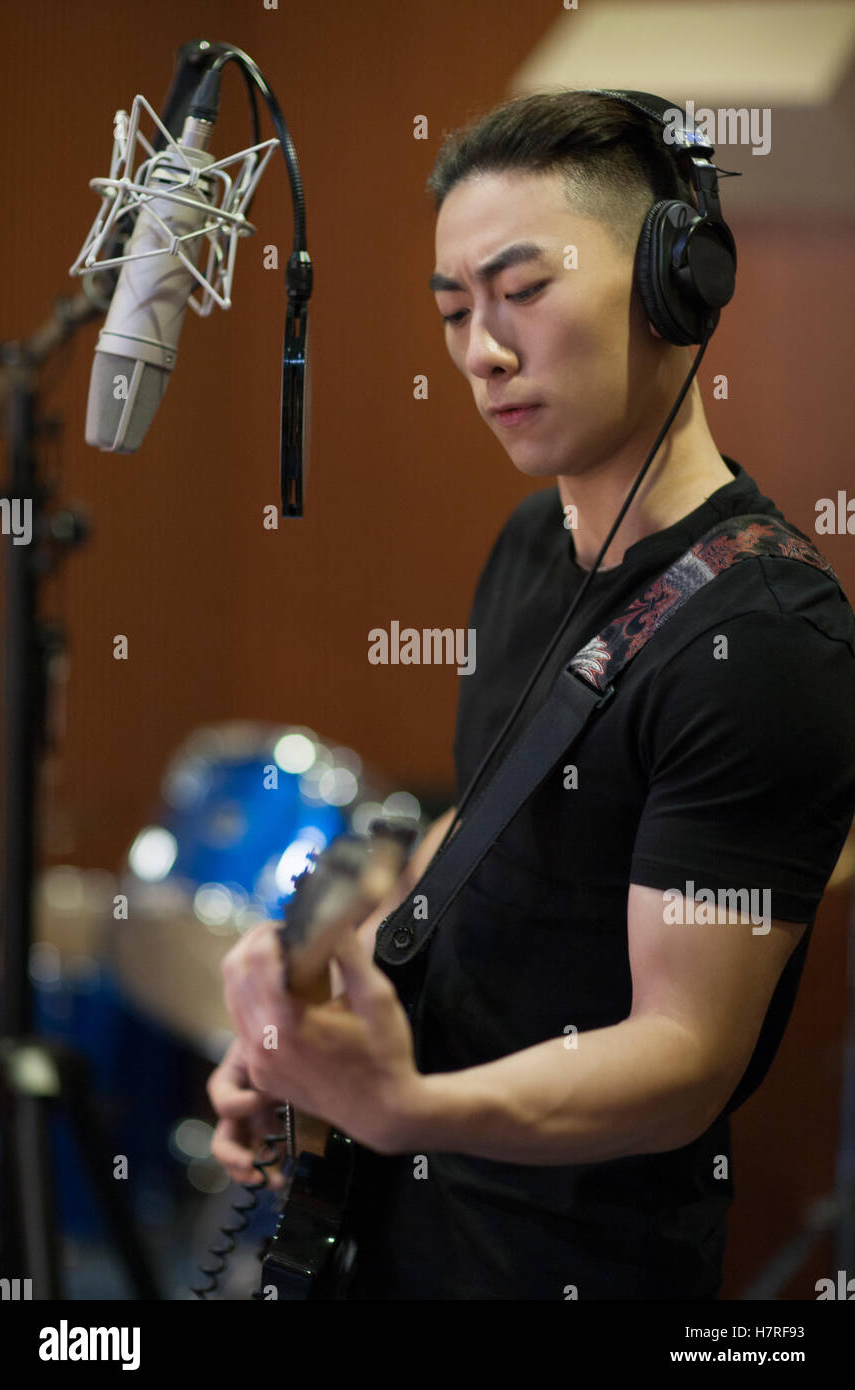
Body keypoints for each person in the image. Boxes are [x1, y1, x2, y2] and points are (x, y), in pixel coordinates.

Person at [209, 90, 855, 1299]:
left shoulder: (767, 641)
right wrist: (315, 1017)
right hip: (407, 1216)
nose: (479, 350)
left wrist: (407, 1105)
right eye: (454, 310)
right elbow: (505, 822)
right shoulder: (528, 543)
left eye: (521, 292)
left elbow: (680, 1060)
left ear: (679, 285)